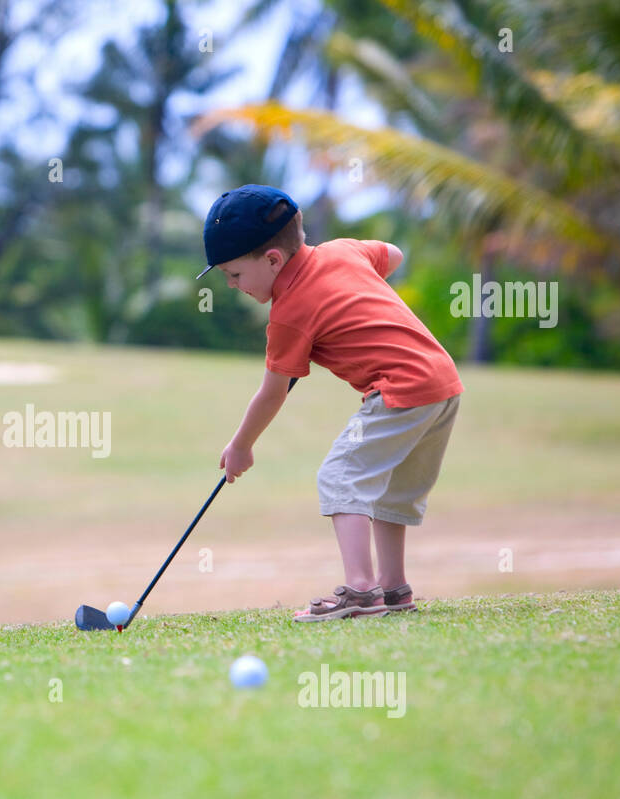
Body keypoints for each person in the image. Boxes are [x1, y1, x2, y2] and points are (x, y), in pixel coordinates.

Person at [198, 185, 463, 622]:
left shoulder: (289, 313)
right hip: (442, 384)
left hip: (399, 389)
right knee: (391, 489)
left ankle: (361, 591)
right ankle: (394, 589)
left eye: (234, 274)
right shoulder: (342, 251)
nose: (230, 285)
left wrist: (242, 446)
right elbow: (392, 254)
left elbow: (272, 391)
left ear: (272, 260)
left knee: (342, 477)